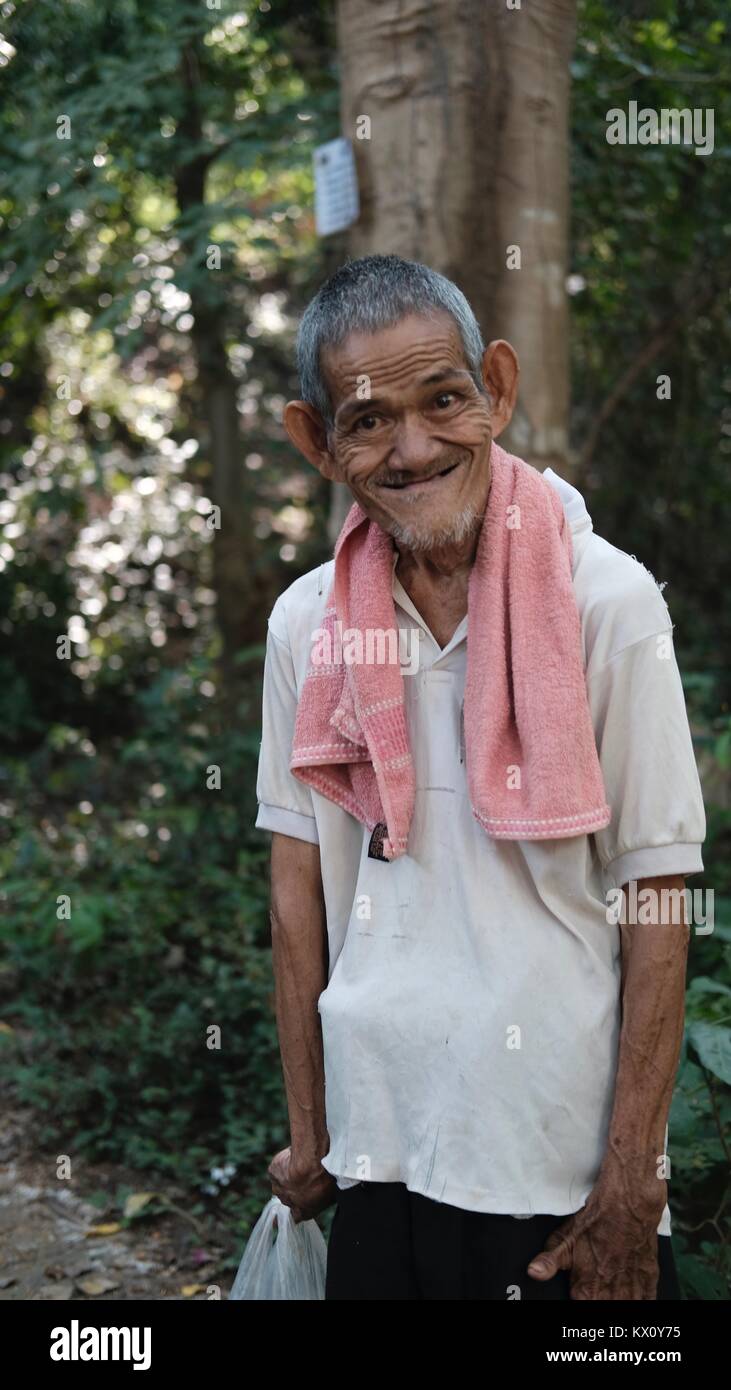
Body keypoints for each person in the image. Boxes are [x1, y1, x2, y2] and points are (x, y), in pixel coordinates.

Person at [256, 254, 706, 1300]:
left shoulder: (606, 604)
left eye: (444, 399)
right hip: (379, 1138)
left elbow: (657, 890)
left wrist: (632, 1179)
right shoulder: (306, 625)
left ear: (495, 389)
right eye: (366, 421)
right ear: (317, 442)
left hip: (554, 1155)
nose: (413, 449)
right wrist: (310, 1127)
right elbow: (294, 895)